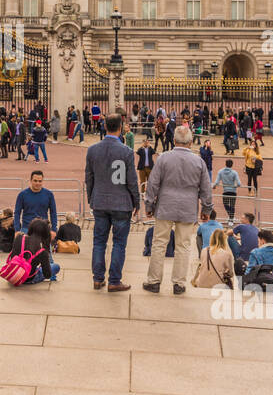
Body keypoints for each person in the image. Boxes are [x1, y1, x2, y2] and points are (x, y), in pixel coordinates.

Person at [141, 126, 212, 295]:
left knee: (159, 244)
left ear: (174, 140)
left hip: (165, 206)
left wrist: (149, 204)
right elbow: (206, 189)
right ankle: (179, 283)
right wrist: (207, 209)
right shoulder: (199, 162)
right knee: (183, 246)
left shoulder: (164, 158)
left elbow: (153, 184)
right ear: (190, 141)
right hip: (188, 208)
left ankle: (154, 281)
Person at [84, 114, 140, 293]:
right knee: (119, 243)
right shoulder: (126, 151)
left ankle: (97, 278)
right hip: (121, 203)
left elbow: (89, 178)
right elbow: (132, 181)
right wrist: (136, 201)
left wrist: (91, 198)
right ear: (121, 127)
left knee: (99, 242)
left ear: (105, 126)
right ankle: (114, 280)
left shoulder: (92, 150)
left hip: (99, 201)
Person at [5, 217, 59, 285]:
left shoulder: (19, 237)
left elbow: (13, 256)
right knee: (56, 266)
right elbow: (47, 275)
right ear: (45, 233)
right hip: (27, 278)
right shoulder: (42, 251)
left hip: (14, 272)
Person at [13, 169, 58, 243]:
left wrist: (54, 230)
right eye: (35, 181)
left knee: (46, 254)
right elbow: (17, 213)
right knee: (26, 253)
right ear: (30, 180)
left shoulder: (49, 194)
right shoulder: (22, 195)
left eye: (40, 181)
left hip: (44, 229)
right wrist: (17, 230)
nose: (37, 183)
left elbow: (53, 213)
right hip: (26, 229)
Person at [212, 158, 241, 223]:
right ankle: (231, 218)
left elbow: (217, 181)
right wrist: (235, 186)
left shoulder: (220, 171)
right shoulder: (234, 172)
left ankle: (231, 218)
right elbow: (239, 183)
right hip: (233, 191)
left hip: (225, 191)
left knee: (225, 204)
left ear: (225, 164)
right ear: (232, 165)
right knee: (232, 205)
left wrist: (214, 186)